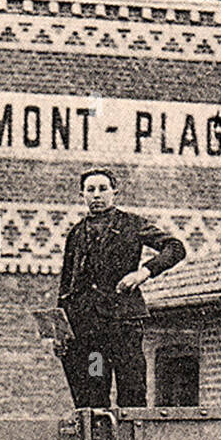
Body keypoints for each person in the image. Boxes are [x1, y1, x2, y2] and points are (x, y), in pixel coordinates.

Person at [56, 168, 186, 408]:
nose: (97, 195)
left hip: (123, 326)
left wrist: (144, 272)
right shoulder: (76, 234)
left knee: (132, 389)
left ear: (114, 192)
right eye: (90, 190)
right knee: (94, 390)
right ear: (81, 194)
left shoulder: (132, 224)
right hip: (91, 335)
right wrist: (61, 331)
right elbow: (67, 286)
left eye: (103, 189)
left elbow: (175, 248)